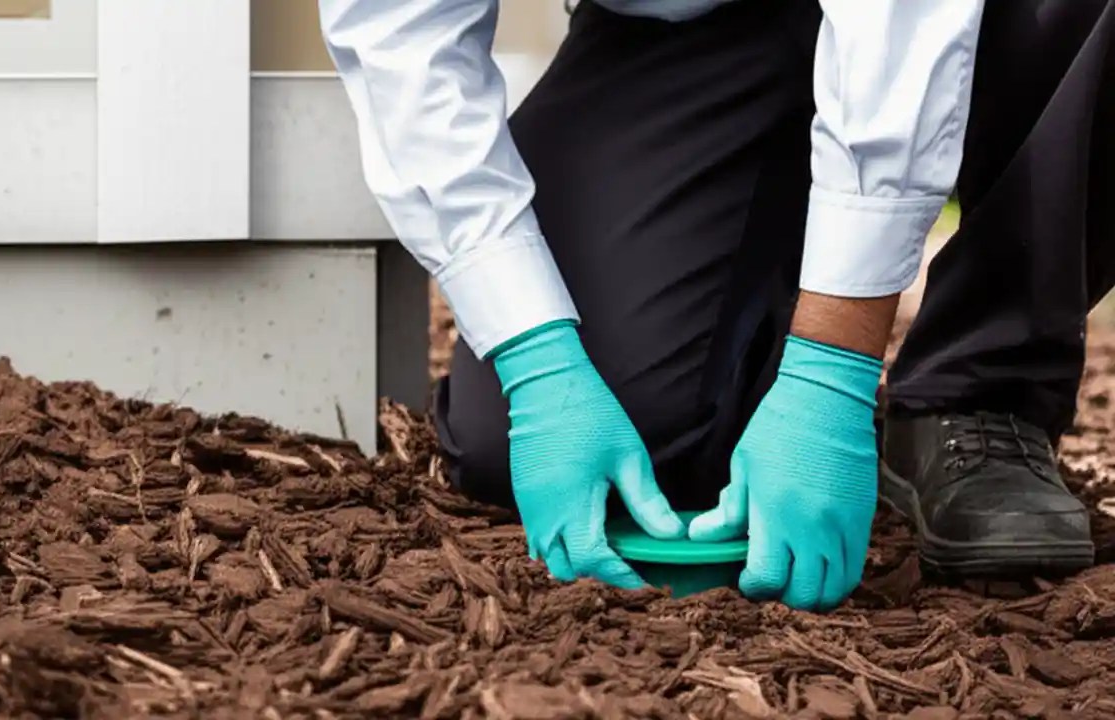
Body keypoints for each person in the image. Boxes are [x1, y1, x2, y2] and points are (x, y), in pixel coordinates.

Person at [319, 0, 1114, 611]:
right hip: (690, 32)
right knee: (553, 443)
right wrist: (539, 364)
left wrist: (831, 369)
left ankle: (979, 390)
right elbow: (399, 33)